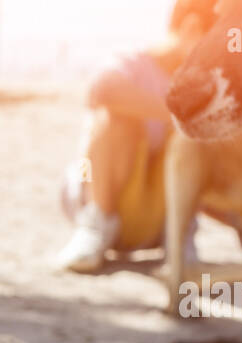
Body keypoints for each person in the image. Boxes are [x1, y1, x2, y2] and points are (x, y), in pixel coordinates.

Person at [54, 0, 217, 273]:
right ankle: (94, 228)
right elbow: (103, 91)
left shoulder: (206, 79)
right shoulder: (133, 61)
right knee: (118, 118)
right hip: (101, 199)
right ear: (191, 29)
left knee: (201, 134)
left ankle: (180, 237)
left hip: (159, 219)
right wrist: (179, 114)